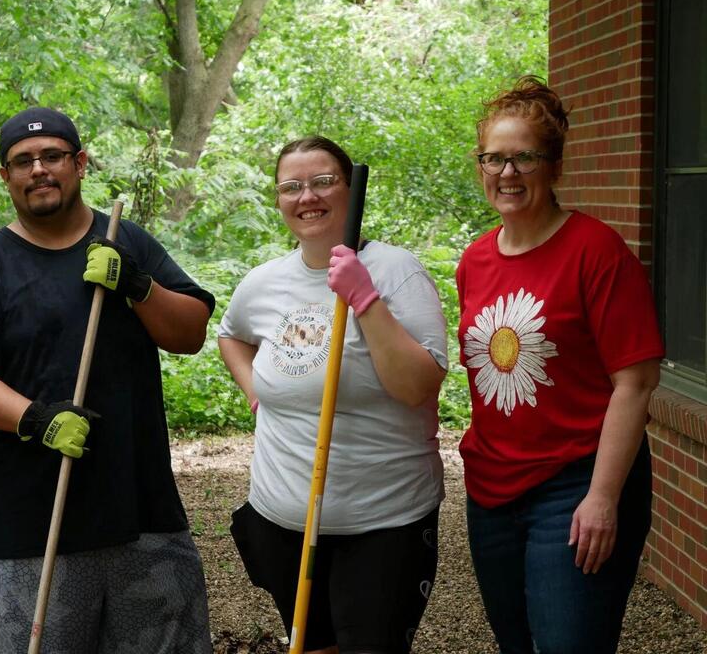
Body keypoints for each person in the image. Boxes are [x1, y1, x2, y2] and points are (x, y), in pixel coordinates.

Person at [0, 106, 215, 653]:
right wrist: (35, 418)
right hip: (27, 530)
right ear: (5, 175)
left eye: (52, 156)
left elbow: (191, 332)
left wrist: (139, 285)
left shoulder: (124, 239)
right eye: (23, 161)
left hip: (143, 516)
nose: (39, 169)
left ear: (79, 163)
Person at [457, 76, 664, 654]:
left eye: (524, 157)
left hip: (576, 483)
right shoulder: (474, 260)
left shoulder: (596, 251)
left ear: (552, 166)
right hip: (492, 487)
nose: (507, 173)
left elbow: (637, 380)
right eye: (494, 158)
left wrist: (602, 498)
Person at [218, 136, 448, 654]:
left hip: (383, 523)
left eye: (323, 181)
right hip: (282, 522)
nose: (307, 197)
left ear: (350, 189)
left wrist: (364, 299)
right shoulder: (264, 282)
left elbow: (416, 387)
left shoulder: (397, 272)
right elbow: (230, 335)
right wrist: (256, 392)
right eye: (291, 186)